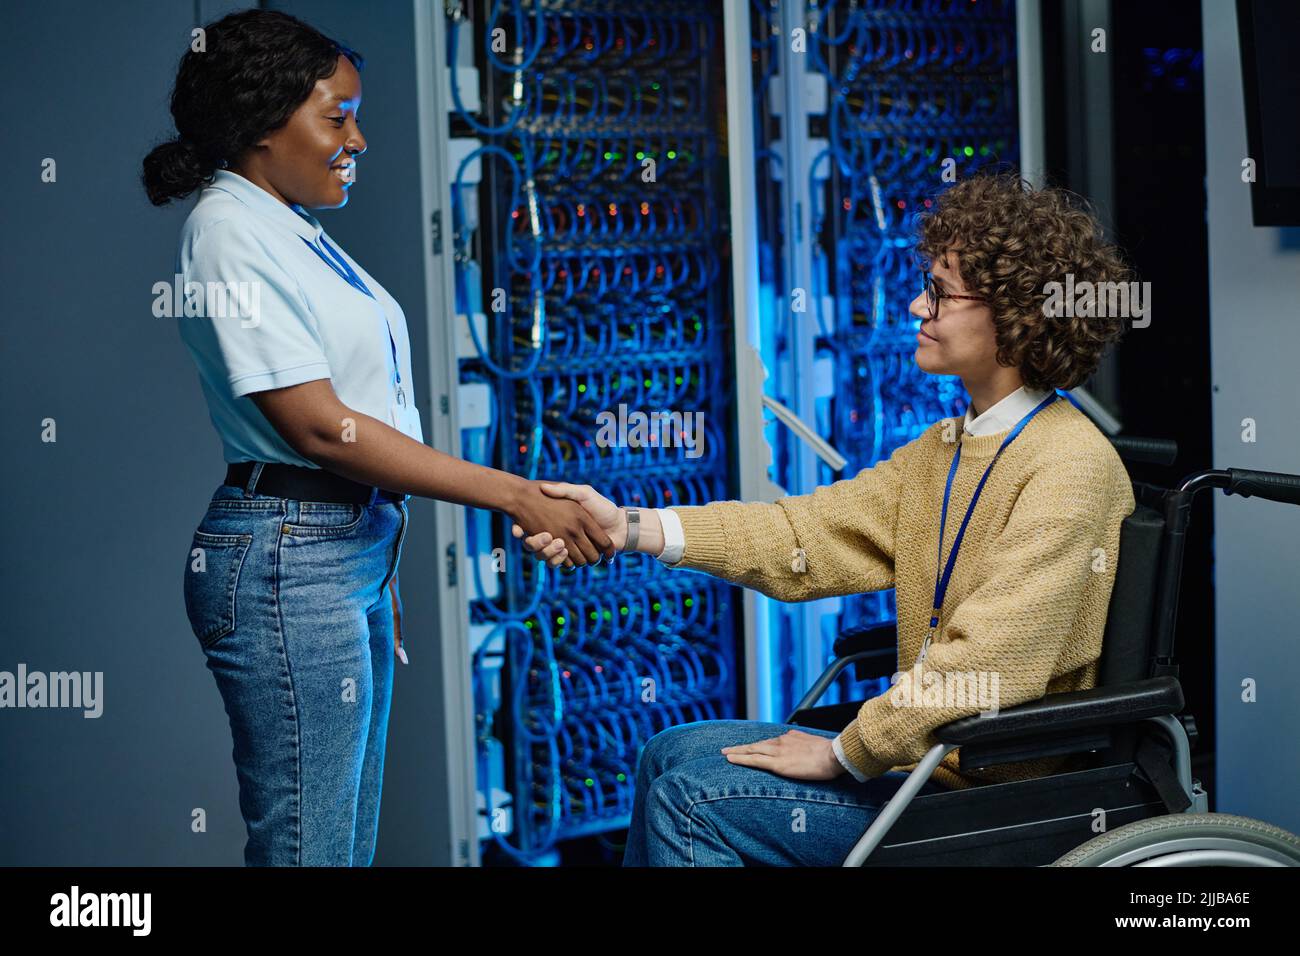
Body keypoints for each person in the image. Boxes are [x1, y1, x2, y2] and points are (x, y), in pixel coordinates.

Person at [515, 169, 1138, 865]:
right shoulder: (948, 450)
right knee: (669, 751)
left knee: (692, 800)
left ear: (1016, 312)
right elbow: (802, 535)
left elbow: (990, 667)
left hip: (991, 800)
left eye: (938, 290)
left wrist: (847, 751)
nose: (913, 305)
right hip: (931, 764)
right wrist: (630, 527)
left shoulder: (1068, 470)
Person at [143, 9, 613, 866]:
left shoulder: (292, 232)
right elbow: (322, 428)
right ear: (260, 122)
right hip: (291, 557)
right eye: (338, 116)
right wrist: (512, 493)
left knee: (341, 849)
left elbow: (360, 414)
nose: (358, 139)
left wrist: (375, 551)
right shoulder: (228, 233)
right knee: (309, 851)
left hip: (338, 549)